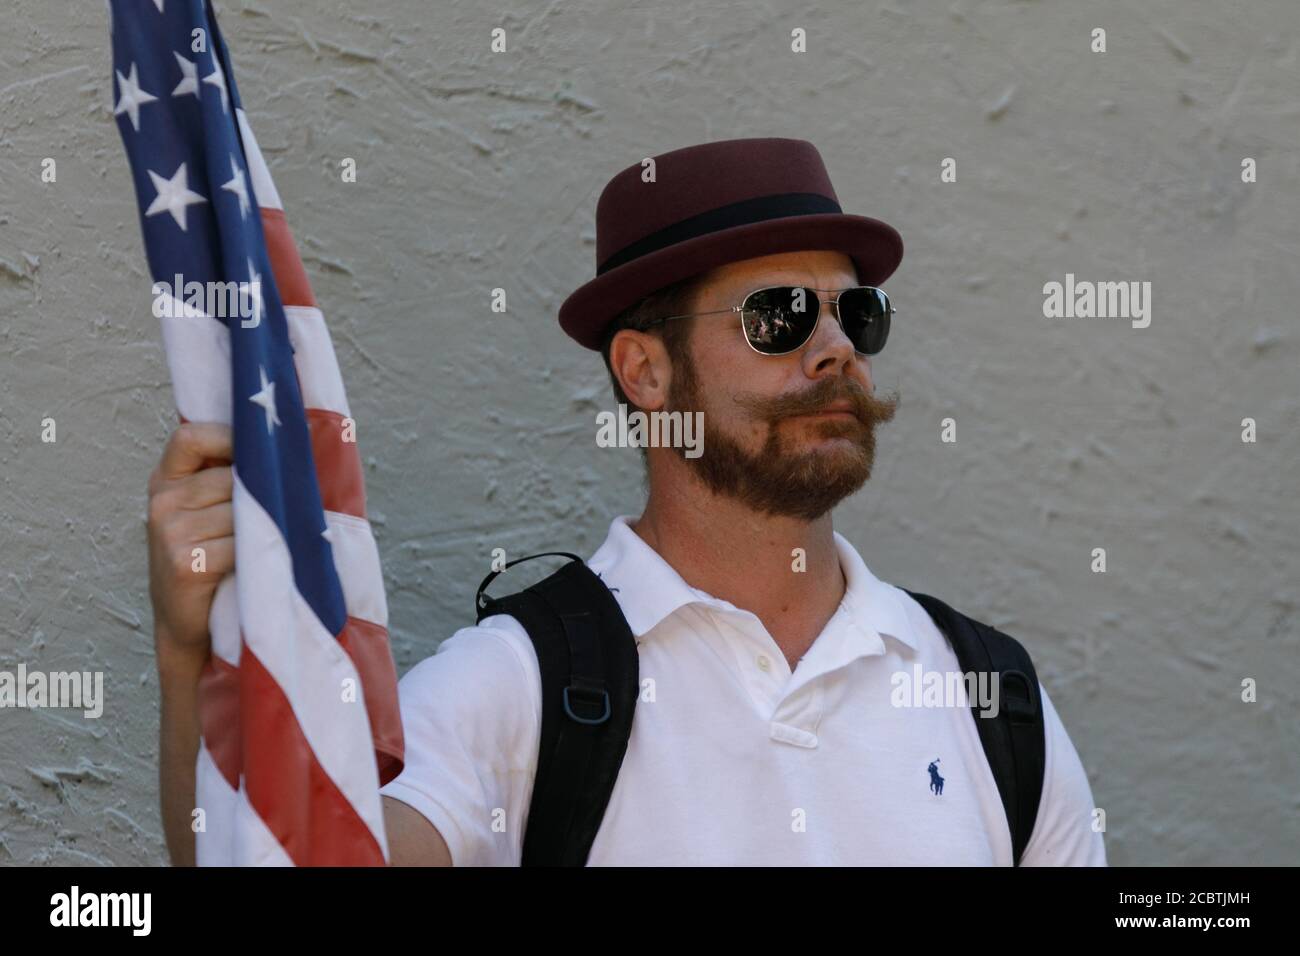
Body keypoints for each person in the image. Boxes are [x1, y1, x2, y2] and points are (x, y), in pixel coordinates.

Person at [148, 137, 1106, 865]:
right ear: (645, 371)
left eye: (856, 314)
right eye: (778, 317)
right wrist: (191, 652)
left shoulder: (990, 696)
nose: (836, 350)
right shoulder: (521, 687)